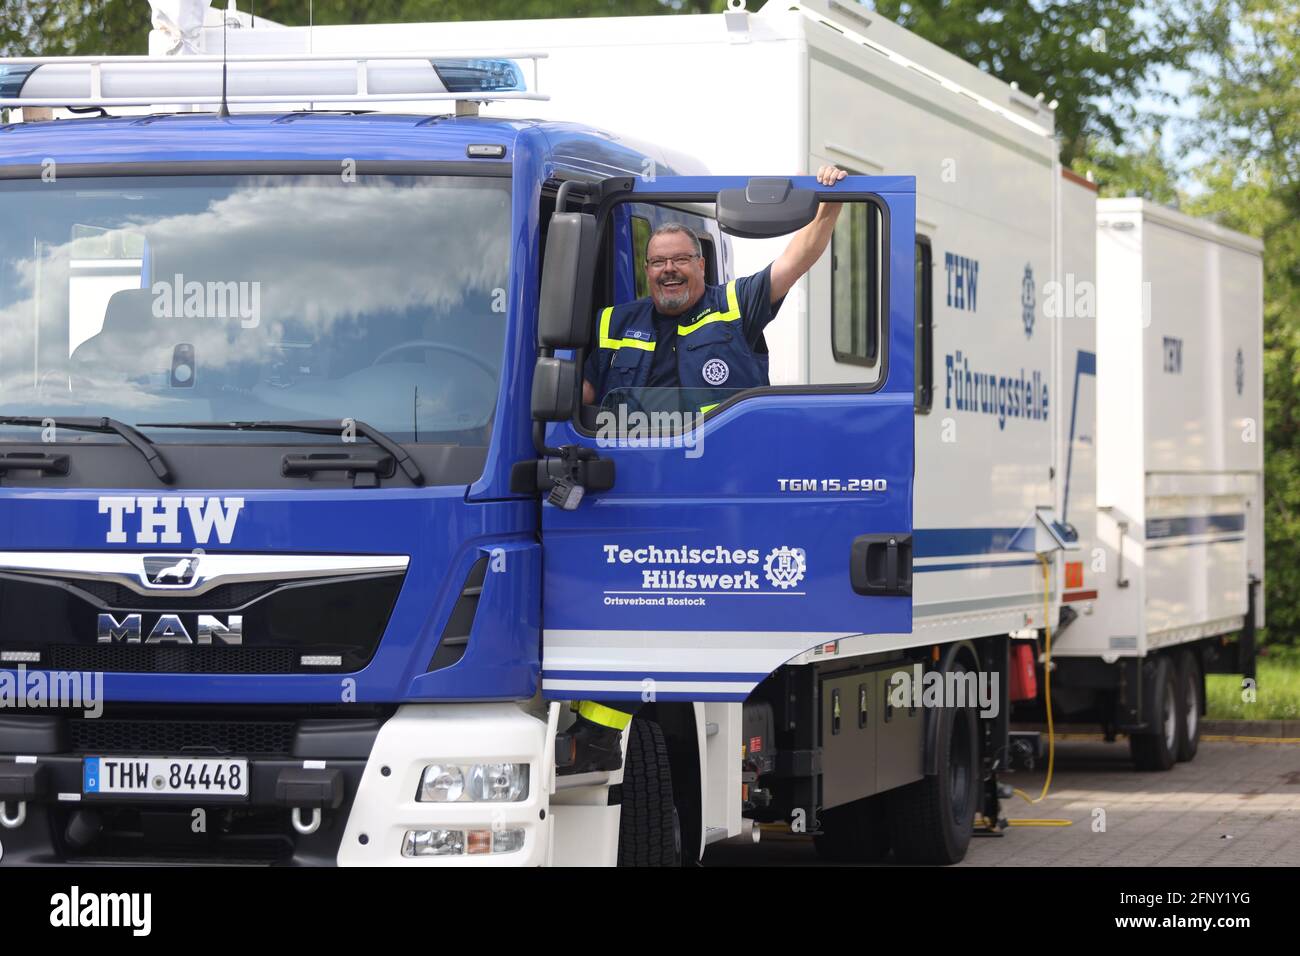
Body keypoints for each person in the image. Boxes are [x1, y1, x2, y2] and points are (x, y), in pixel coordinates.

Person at [559, 165, 848, 775]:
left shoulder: (735, 307)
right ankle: (597, 736)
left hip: (714, 508)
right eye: (657, 261)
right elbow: (580, 396)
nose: (668, 270)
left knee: (652, 622)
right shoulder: (616, 324)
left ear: (702, 265)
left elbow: (795, 260)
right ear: (646, 271)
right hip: (629, 503)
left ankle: (601, 736)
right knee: (605, 616)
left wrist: (828, 209)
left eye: (680, 260)